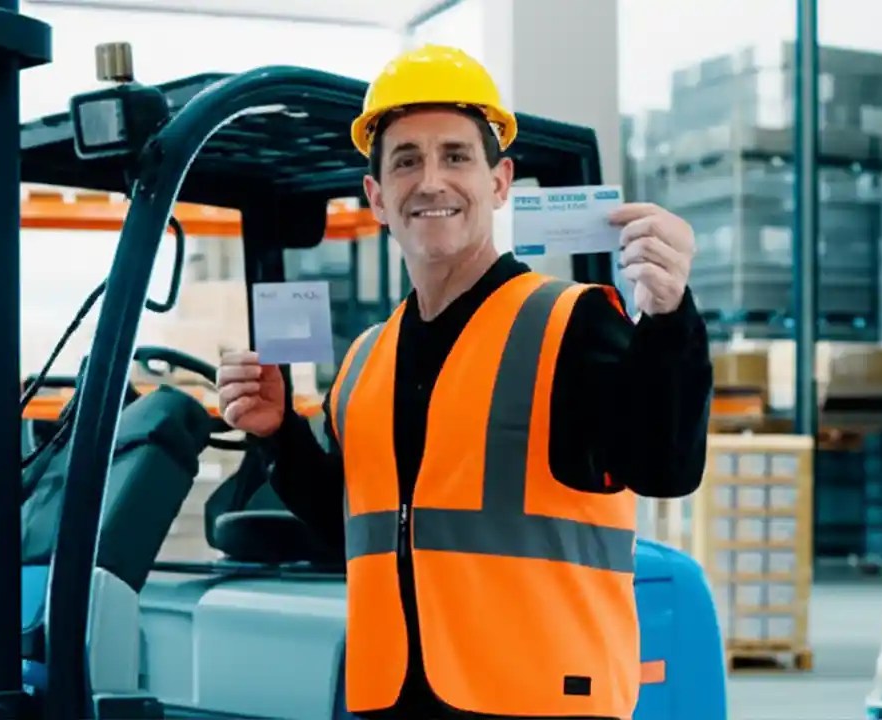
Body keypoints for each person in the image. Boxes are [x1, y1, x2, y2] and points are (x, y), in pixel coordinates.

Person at [216, 44, 713, 720]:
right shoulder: (365, 361)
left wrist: (669, 319)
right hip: (393, 697)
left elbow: (664, 466)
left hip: (540, 700)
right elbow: (354, 533)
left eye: (455, 156)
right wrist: (281, 434)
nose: (431, 181)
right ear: (377, 198)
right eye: (406, 161)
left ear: (500, 181)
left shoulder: (572, 323)